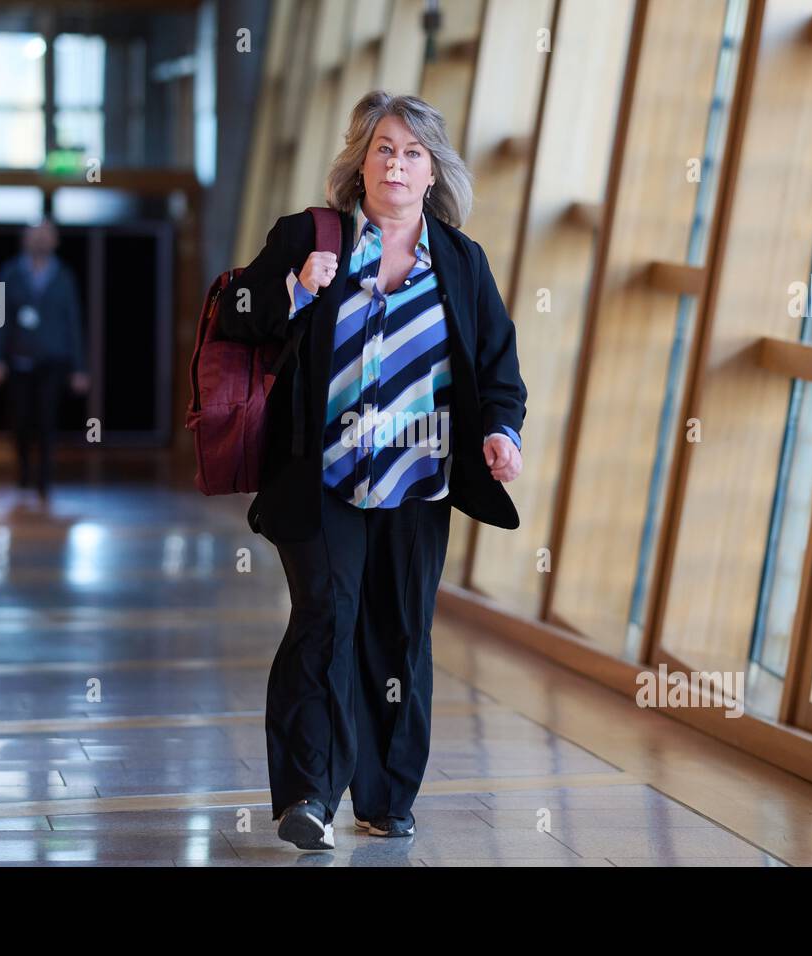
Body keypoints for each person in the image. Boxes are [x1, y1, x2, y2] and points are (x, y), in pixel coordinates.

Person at [218, 91, 526, 850]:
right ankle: (308, 796)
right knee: (326, 614)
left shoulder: (461, 261)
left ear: (433, 173)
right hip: (320, 476)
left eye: (412, 153)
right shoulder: (312, 237)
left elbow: (496, 368)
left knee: (399, 633)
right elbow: (239, 312)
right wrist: (296, 288)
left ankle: (385, 797)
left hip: (418, 483)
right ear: (360, 161)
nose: (396, 163)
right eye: (384, 148)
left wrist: (500, 431)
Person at [0, 219, 90, 503]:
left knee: (47, 418)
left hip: (53, 359)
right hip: (19, 358)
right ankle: (23, 470)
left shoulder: (64, 276)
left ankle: (44, 479)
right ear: (25, 239)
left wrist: (79, 367)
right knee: (21, 418)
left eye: (47, 235)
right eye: (36, 235)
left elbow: (73, 322)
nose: (41, 240)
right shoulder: (10, 273)